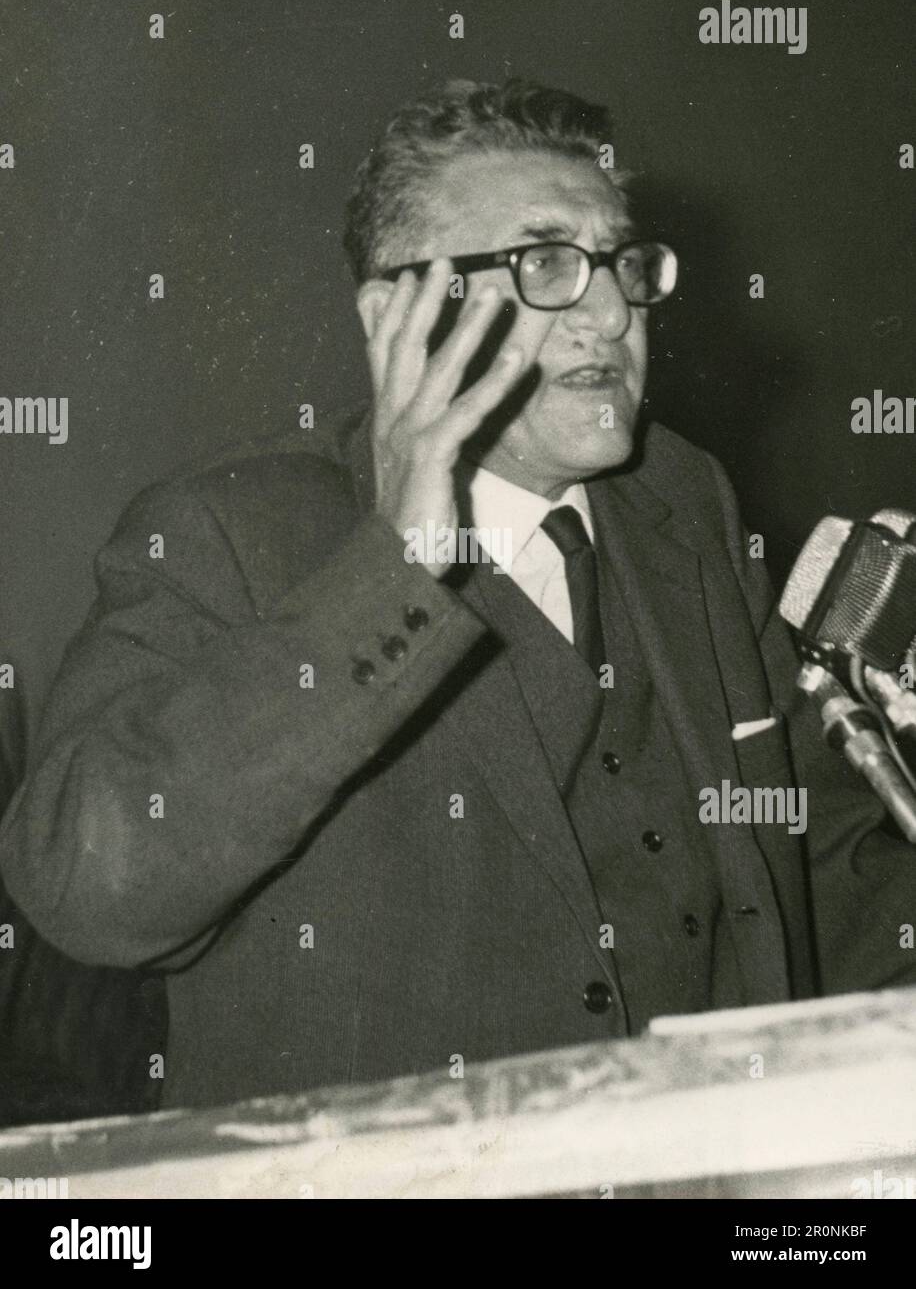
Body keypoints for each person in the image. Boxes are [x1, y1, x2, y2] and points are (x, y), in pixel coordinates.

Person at [1, 78, 914, 1114]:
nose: (611, 312)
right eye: (544, 265)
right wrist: (392, 566)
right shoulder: (225, 530)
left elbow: (821, 872)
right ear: (401, 311)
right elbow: (81, 882)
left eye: (620, 263)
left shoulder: (684, 501)